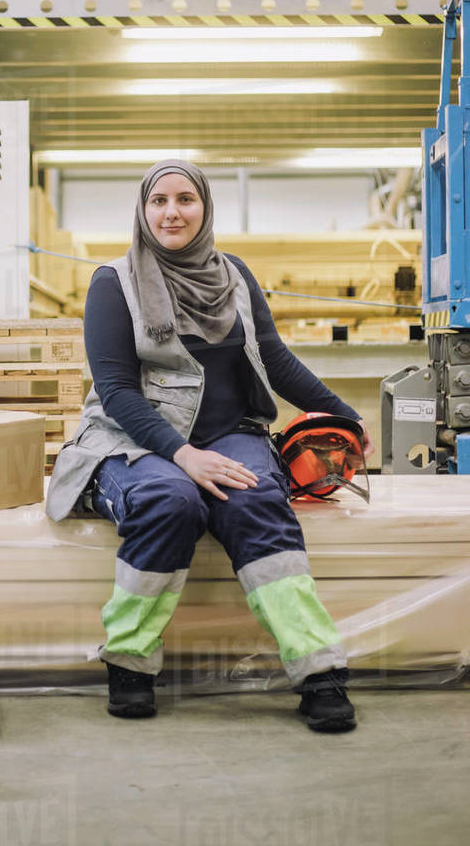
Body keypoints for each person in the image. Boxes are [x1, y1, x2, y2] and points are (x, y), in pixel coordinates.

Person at [46, 160, 373, 732]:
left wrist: (344, 415)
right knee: (170, 501)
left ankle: (319, 670)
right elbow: (118, 392)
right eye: (159, 201)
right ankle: (128, 662)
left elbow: (273, 359)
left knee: (256, 502)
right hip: (132, 440)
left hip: (231, 433)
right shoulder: (113, 283)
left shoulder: (234, 275)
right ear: (143, 210)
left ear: (205, 207)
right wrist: (183, 455)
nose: (172, 212)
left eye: (185, 199)